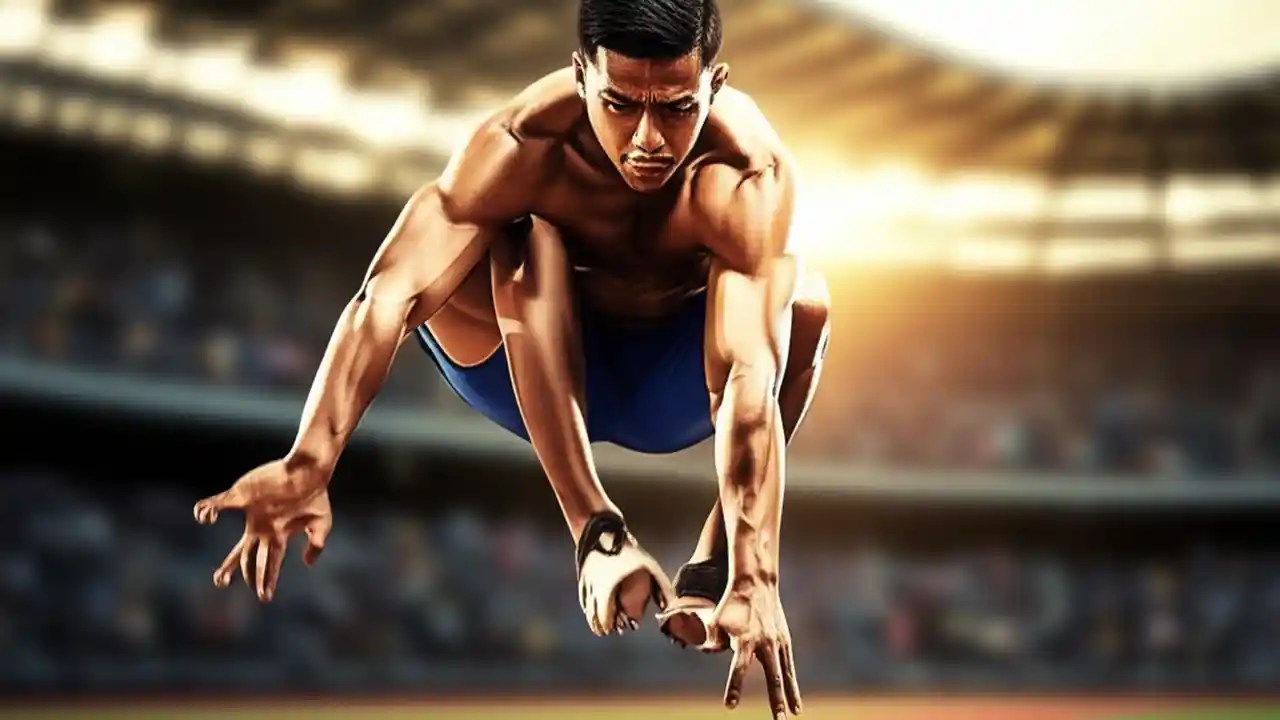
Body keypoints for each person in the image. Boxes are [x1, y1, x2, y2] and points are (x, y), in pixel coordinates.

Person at [191, 0, 829, 716]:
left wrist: (756, 568)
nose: (648, 139)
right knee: (526, 234)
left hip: (668, 389)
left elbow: (746, 375)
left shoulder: (747, 174)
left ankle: (712, 564)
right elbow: (388, 295)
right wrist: (310, 458)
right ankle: (596, 530)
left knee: (805, 302)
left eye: (677, 108)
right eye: (620, 104)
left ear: (715, 84)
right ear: (580, 75)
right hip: (515, 361)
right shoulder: (522, 143)